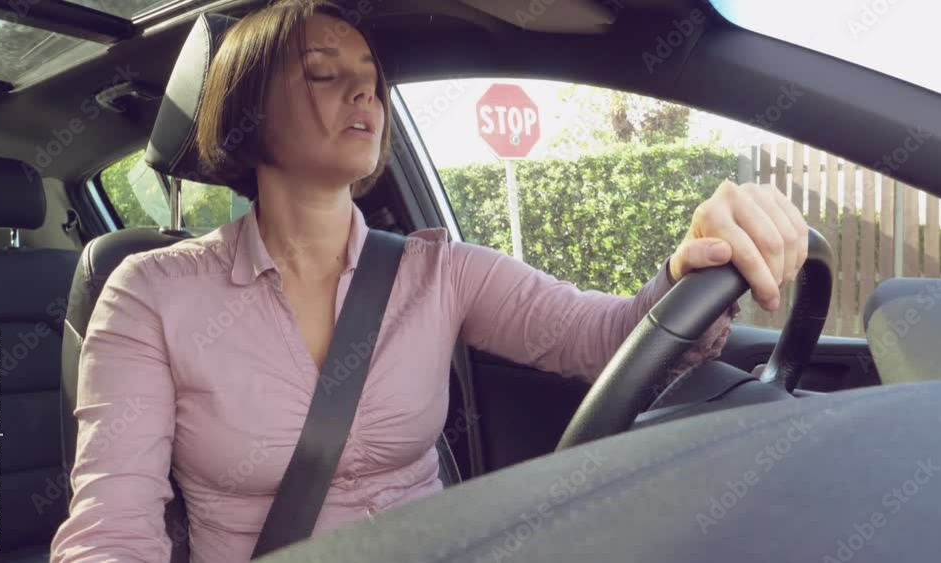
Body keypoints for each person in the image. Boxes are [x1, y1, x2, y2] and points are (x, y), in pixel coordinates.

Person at [49, 1, 808, 561]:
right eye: (323, 73)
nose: (363, 93)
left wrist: (690, 263)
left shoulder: (439, 270)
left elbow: (606, 340)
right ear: (247, 108)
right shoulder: (151, 294)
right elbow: (112, 531)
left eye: (372, 79)